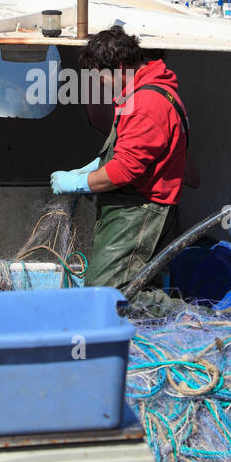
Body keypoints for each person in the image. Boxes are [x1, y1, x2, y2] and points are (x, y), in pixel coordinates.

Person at [50, 26, 189, 313]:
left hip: (142, 213)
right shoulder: (137, 93)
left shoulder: (147, 103)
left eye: (101, 74)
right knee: (130, 284)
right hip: (129, 208)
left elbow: (125, 171)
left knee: (107, 296)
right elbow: (125, 151)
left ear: (121, 66)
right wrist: (89, 169)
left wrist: (77, 183)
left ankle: (191, 316)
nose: (100, 82)